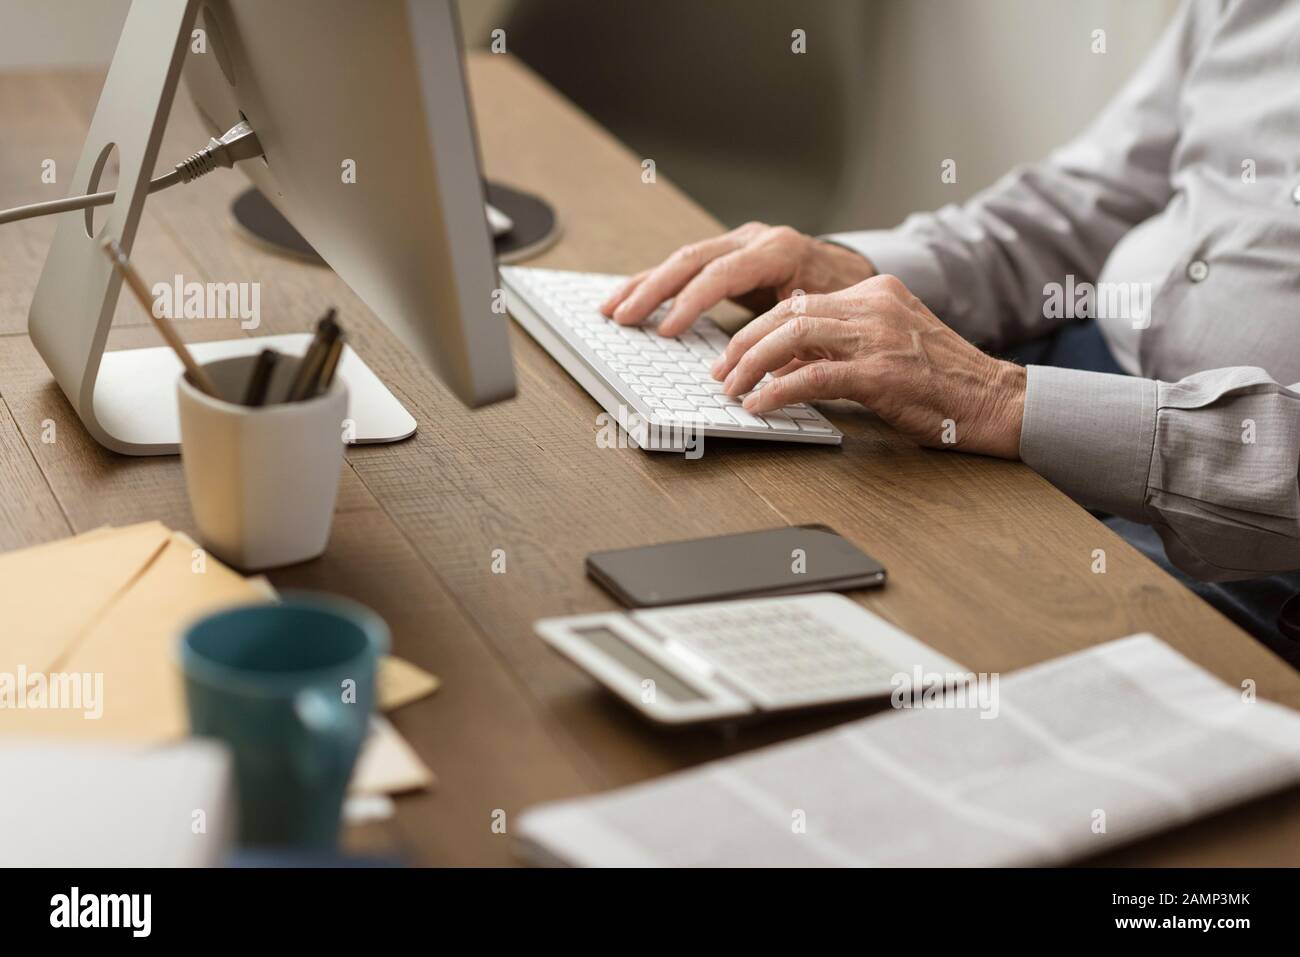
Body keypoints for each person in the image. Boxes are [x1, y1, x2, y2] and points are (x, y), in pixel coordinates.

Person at [599, 0, 1300, 660]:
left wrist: (999, 400)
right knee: (714, 532)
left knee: (901, 658)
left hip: (1250, 541)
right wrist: (854, 266)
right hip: (1064, 371)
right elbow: (1095, 198)